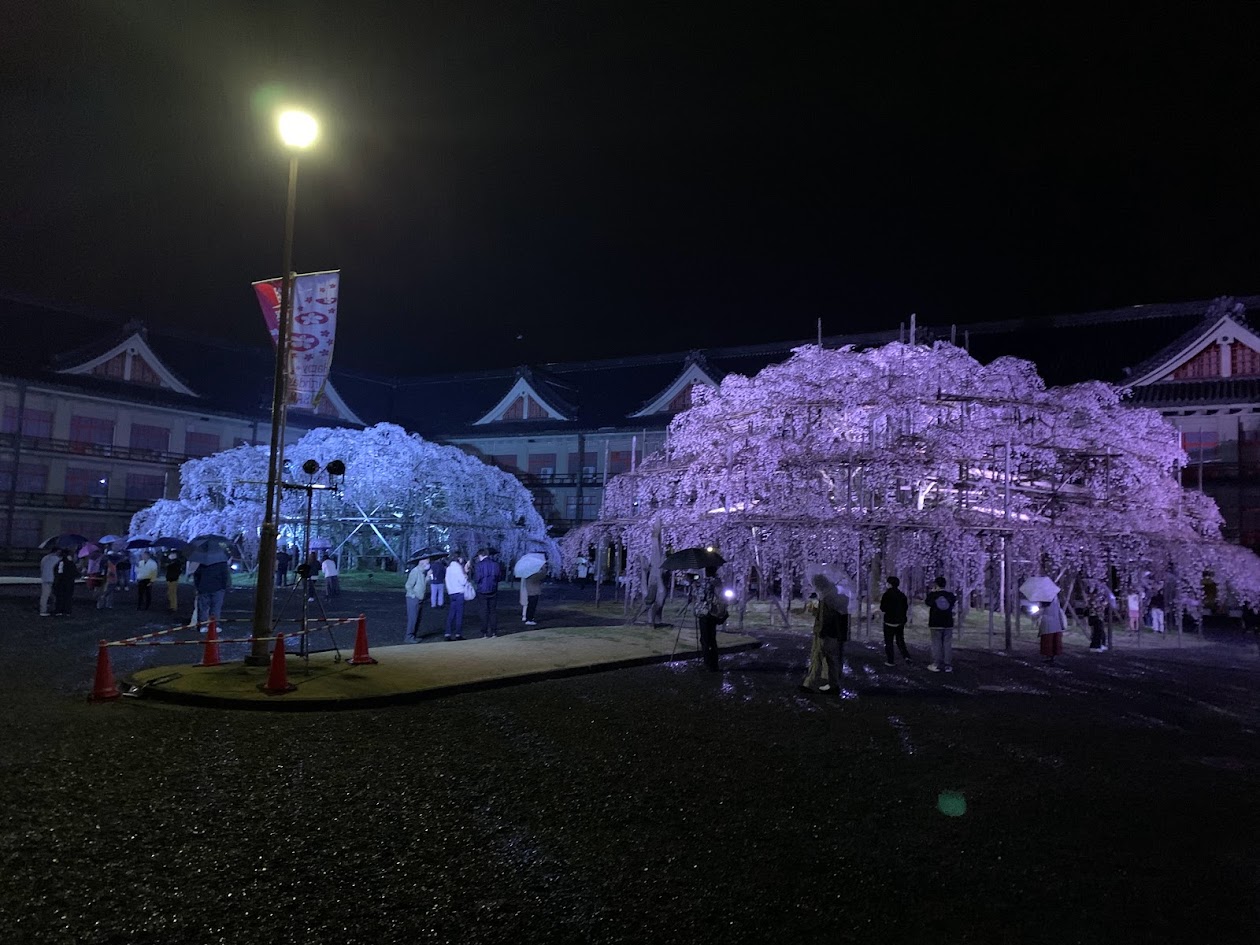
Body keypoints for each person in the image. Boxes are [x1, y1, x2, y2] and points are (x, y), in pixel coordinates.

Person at [800, 573, 847, 691]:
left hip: (825, 633)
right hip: (836, 633)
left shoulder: (826, 598)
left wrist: (821, 631)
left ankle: (809, 684)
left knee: (817, 658)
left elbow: (826, 618)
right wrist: (817, 612)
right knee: (832, 660)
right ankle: (834, 685)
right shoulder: (838, 597)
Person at [694, 565, 730, 672]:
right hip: (714, 613)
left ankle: (707, 663)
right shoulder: (718, 582)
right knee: (712, 639)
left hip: (705, 613)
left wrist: (695, 587)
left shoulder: (706, 583)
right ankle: (714, 663)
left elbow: (701, 597)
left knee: (705, 639)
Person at [925, 576, 957, 672]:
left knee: (936, 643)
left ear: (936, 584)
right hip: (948, 623)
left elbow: (927, 603)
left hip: (935, 623)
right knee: (947, 644)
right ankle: (948, 665)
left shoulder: (932, 595)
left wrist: (934, 592)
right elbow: (953, 603)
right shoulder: (950, 595)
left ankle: (936, 664)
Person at [879, 575, 912, 665]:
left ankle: (890, 660)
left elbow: (883, 608)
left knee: (889, 641)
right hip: (899, 622)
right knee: (900, 640)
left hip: (889, 621)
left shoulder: (886, 595)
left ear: (889, 584)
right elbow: (905, 607)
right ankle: (907, 656)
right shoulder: (902, 595)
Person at [472, 548, 503, 638]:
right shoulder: (495, 564)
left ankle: (484, 632)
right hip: (493, 590)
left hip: (482, 590)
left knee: (483, 611)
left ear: (480, 555)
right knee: (493, 612)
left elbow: (477, 579)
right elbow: (499, 578)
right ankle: (494, 632)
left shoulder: (479, 565)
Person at [193, 559, 229, 626]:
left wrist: (198, 586)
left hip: (204, 589)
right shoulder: (222, 564)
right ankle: (214, 625)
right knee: (216, 608)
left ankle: (203, 625)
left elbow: (196, 576)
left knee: (204, 608)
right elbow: (225, 576)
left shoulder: (202, 564)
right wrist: (223, 587)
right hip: (217, 589)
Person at [444, 553, 471, 640]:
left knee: (451, 613)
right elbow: (463, 581)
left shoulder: (448, 568)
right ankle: (458, 634)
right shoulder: (458, 567)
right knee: (459, 614)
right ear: (459, 558)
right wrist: (465, 575)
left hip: (451, 593)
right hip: (459, 592)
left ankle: (447, 633)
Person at [403, 557, 429, 642]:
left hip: (419, 598)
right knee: (413, 618)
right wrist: (413, 595)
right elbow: (408, 585)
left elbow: (422, 584)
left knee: (417, 618)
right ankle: (409, 637)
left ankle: (413, 636)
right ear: (422, 562)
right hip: (413, 599)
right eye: (427, 562)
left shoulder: (422, 572)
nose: (428, 564)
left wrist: (428, 577)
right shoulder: (415, 571)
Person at [1039, 594, 1067, 662]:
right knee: (1053, 640)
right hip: (1055, 623)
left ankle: (1049, 656)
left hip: (1048, 623)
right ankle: (1052, 657)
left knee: (1048, 640)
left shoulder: (1045, 599)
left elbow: (1042, 611)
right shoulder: (1055, 598)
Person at [52, 550, 77, 616]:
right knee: (68, 597)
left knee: (60, 597)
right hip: (69, 583)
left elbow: (59, 573)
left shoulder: (61, 563)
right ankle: (67, 610)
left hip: (61, 583)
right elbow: (75, 573)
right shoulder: (71, 564)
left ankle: (59, 610)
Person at [38, 548, 59, 617]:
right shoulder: (57, 559)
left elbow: (41, 568)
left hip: (45, 578)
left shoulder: (44, 558)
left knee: (45, 595)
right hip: (54, 578)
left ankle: (43, 610)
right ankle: (54, 608)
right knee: (55, 594)